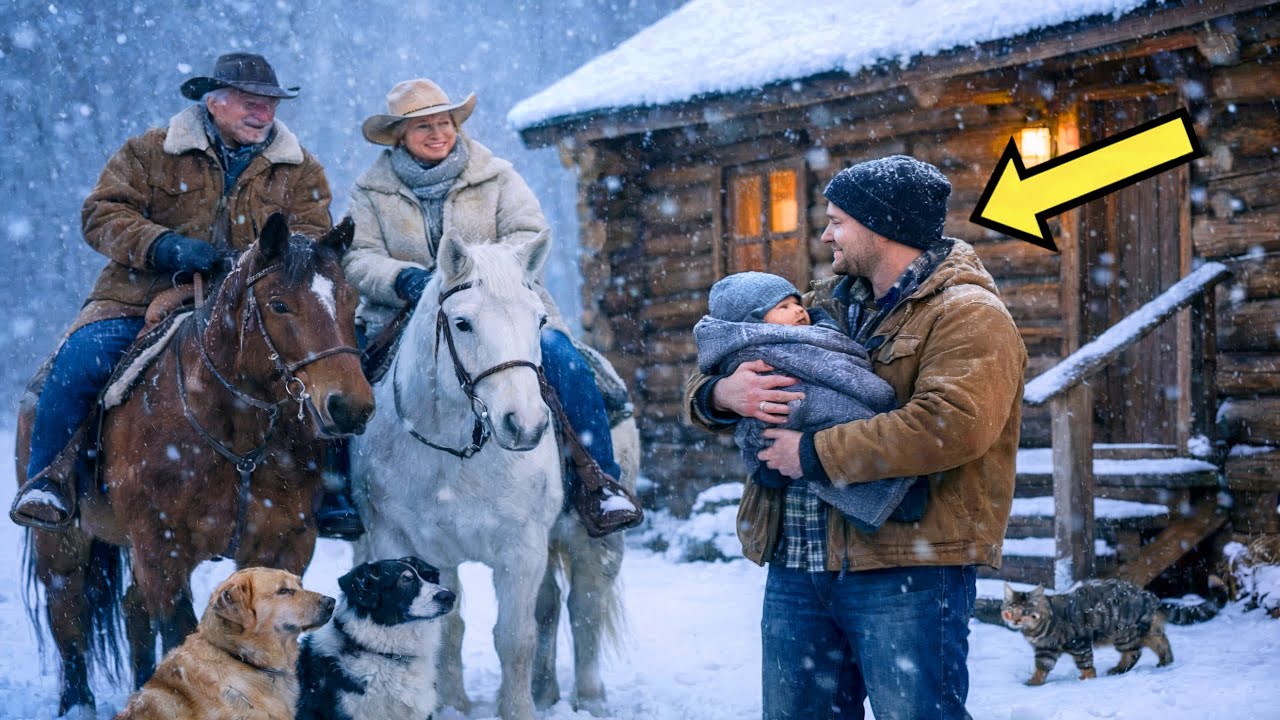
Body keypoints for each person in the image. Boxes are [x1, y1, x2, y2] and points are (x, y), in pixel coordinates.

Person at [685, 155, 1027, 719]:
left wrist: (813, 453)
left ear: (880, 227)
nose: (826, 234)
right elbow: (722, 351)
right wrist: (723, 394)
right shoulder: (823, 306)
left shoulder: (968, 314)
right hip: (797, 564)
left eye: (838, 220)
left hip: (905, 571)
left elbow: (951, 426)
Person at [8, 53, 358, 535]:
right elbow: (102, 214)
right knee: (81, 361)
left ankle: (333, 494)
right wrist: (164, 247)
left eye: (270, 104)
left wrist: (245, 266)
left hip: (251, 310)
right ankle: (50, 479)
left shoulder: (299, 171)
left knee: (328, 365)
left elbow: (309, 242)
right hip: (138, 294)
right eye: (250, 103)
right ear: (213, 102)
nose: (263, 114)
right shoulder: (151, 151)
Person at [342, 78, 640, 532]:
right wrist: (402, 278)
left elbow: (529, 234)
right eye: (423, 126)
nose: (437, 133)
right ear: (400, 135)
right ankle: (341, 492)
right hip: (399, 313)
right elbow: (358, 256)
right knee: (342, 380)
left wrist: (482, 271)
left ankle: (598, 481)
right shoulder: (370, 191)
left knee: (565, 362)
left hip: (501, 306)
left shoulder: (496, 175)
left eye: (444, 122)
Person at [693, 271, 924, 533]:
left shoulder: (815, 325)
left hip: (865, 535)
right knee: (827, 410)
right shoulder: (755, 351)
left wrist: (810, 451)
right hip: (786, 532)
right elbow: (700, 381)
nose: (800, 311)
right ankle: (881, 495)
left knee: (845, 416)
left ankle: (884, 494)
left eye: (797, 304)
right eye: (784, 307)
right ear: (752, 323)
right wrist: (719, 393)